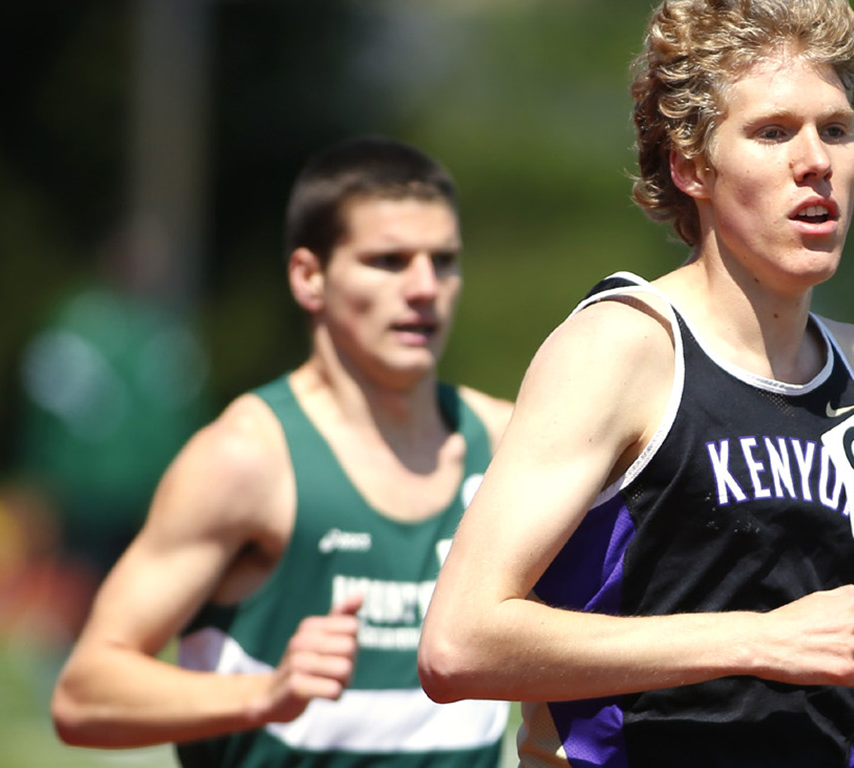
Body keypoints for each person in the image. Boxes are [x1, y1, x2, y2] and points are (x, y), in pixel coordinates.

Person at [417, 2, 854, 766]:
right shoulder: (623, 348)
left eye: (836, 129)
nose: (816, 161)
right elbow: (460, 643)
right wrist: (758, 640)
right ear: (692, 167)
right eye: (773, 132)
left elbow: (799, 603)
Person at [51, 137, 513, 767]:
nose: (425, 287)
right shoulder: (245, 460)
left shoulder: (509, 445)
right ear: (309, 277)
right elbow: (83, 694)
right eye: (388, 261)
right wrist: (266, 694)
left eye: (445, 261)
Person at [17, 221, 209, 682]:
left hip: (145, 483)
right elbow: (45, 411)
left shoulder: (163, 329)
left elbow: (185, 411)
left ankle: (114, 669)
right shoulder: (78, 324)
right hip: (85, 482)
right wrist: (37, 478)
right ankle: (56, 658)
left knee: (137, 585)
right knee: (79, 580)